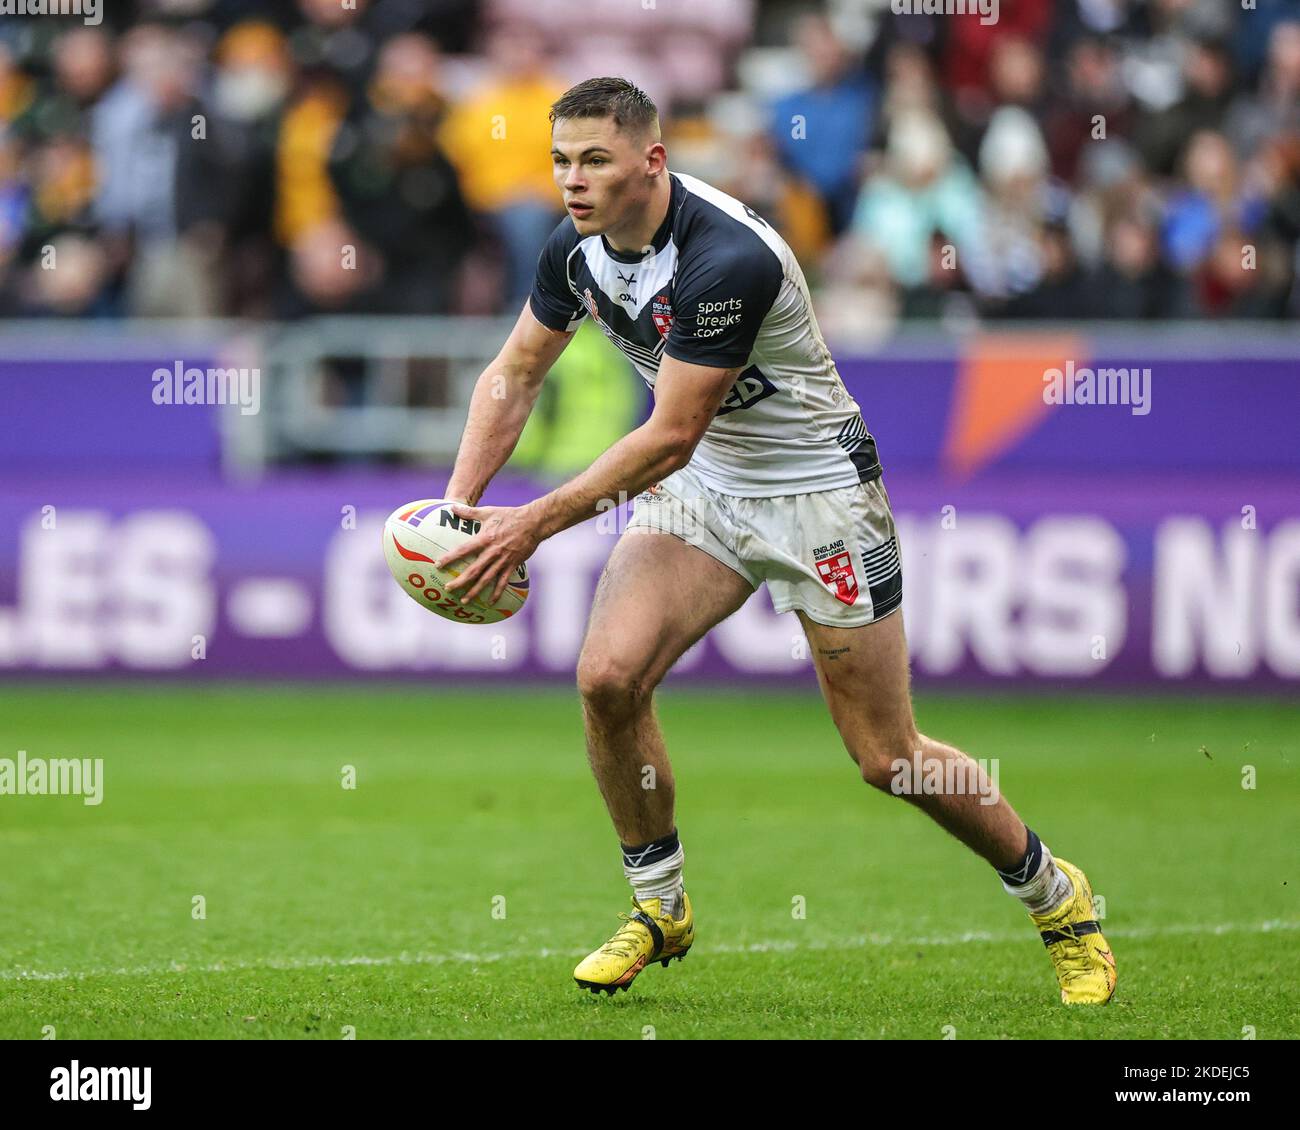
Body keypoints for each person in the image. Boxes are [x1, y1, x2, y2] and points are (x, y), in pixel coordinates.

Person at [435, 77, 1117, 1005]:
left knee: (887, 756)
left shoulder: (727, 258)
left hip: (819, 499)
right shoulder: (573, 251)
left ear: (652, 160)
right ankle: (659, 907)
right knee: (607, 677)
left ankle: (1057, 897)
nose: (572, 180)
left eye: (595, 159)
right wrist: (458, 509)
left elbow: (667, 433)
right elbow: (514, 376)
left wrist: (528, 526)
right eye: (561, 160)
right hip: (709, 488)